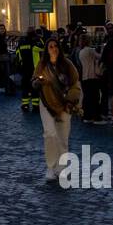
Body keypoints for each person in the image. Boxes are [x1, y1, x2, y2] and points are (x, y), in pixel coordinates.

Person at [36, 37, 81, 183]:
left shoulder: (67, 65)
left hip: (64, 104)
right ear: (47, 49)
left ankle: (61, 168)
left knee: (63, 138)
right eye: (50, 46)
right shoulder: (42, 65)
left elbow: (75, 81)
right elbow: (33, 81)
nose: (53, 48)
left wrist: (71, 99)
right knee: (50, 134)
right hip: (47, 103)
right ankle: (51, 166)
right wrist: (38, 82)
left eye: (56, 46)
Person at [77, 34, 105, 125]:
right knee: (95, 98)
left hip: (84, 77)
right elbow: (100, 57)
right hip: (92, 76)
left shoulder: (81, 51)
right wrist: (102, 50)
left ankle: (87, 116)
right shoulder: (90, 50)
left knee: (87, 98)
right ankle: (96, 117)